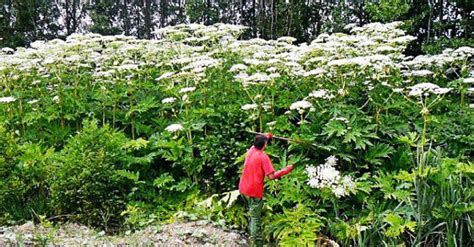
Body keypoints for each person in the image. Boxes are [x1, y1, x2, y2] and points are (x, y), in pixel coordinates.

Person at [239, 133, 294, 247]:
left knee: (252, 213)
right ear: (264, 145)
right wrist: (286, 170)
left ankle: (252, 237)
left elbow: (257, 143)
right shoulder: (263, 157)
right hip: (254, 191)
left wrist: (266, 136)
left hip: (243, 188)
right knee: (255, 219)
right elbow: (271, 176)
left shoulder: (251, 150)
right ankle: (256, 243)